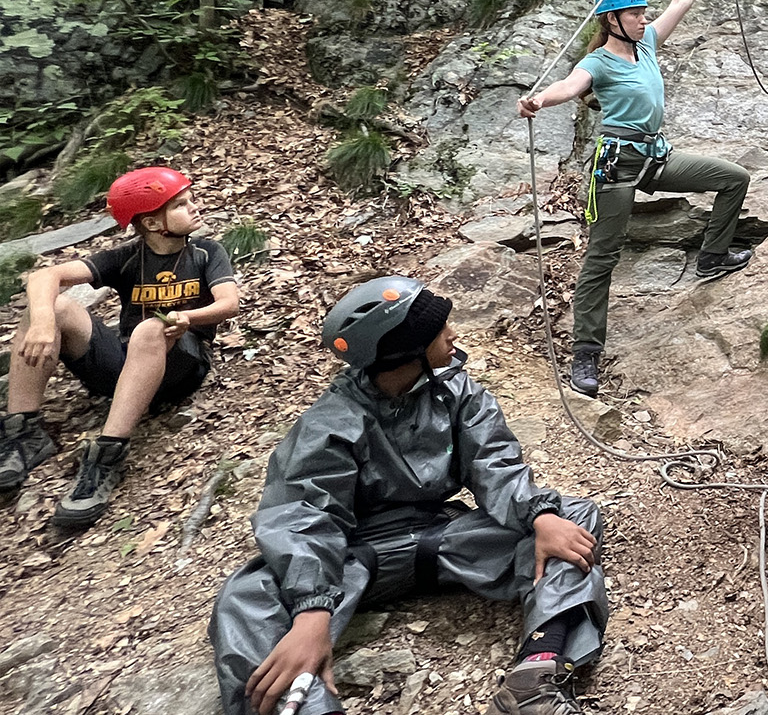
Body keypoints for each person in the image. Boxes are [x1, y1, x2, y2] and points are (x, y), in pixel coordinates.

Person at [209, 278, 606, 715]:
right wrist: (312, 611)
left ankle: (534, 676)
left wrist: (538, 516)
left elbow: (494, 464)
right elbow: (303, 515)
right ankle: (304, 705)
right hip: (354, 557)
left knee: (568, 518)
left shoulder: (457, 391)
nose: (452, 334)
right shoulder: (332, 422)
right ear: (404, 350)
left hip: (442, 536)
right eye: (439, 330)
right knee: (247, 596)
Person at [519, 0, 754, 397]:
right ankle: (586, 352)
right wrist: (538, 101)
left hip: (655, 156)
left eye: (645, 13)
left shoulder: (646, 44)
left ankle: (712, 257)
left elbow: (681, 4)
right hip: (617, 165)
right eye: (635, 14)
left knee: (734, 178)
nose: (644, 19)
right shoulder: (598, 62)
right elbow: (569, 86)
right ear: (612, 20)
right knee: (602, 257)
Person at [0, 166, 240, 529]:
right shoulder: (126, 256)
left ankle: (107, 456)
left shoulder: (207, 252)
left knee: (151, 328)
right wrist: (45, 322)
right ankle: (22, 433)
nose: (195, 208)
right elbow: (44, 276)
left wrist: (187, 318)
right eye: (180, 204)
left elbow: (229, 304)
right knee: (50, 306)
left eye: (191, 200)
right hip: (125, 365)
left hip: (181, 366)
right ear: (151, 222)